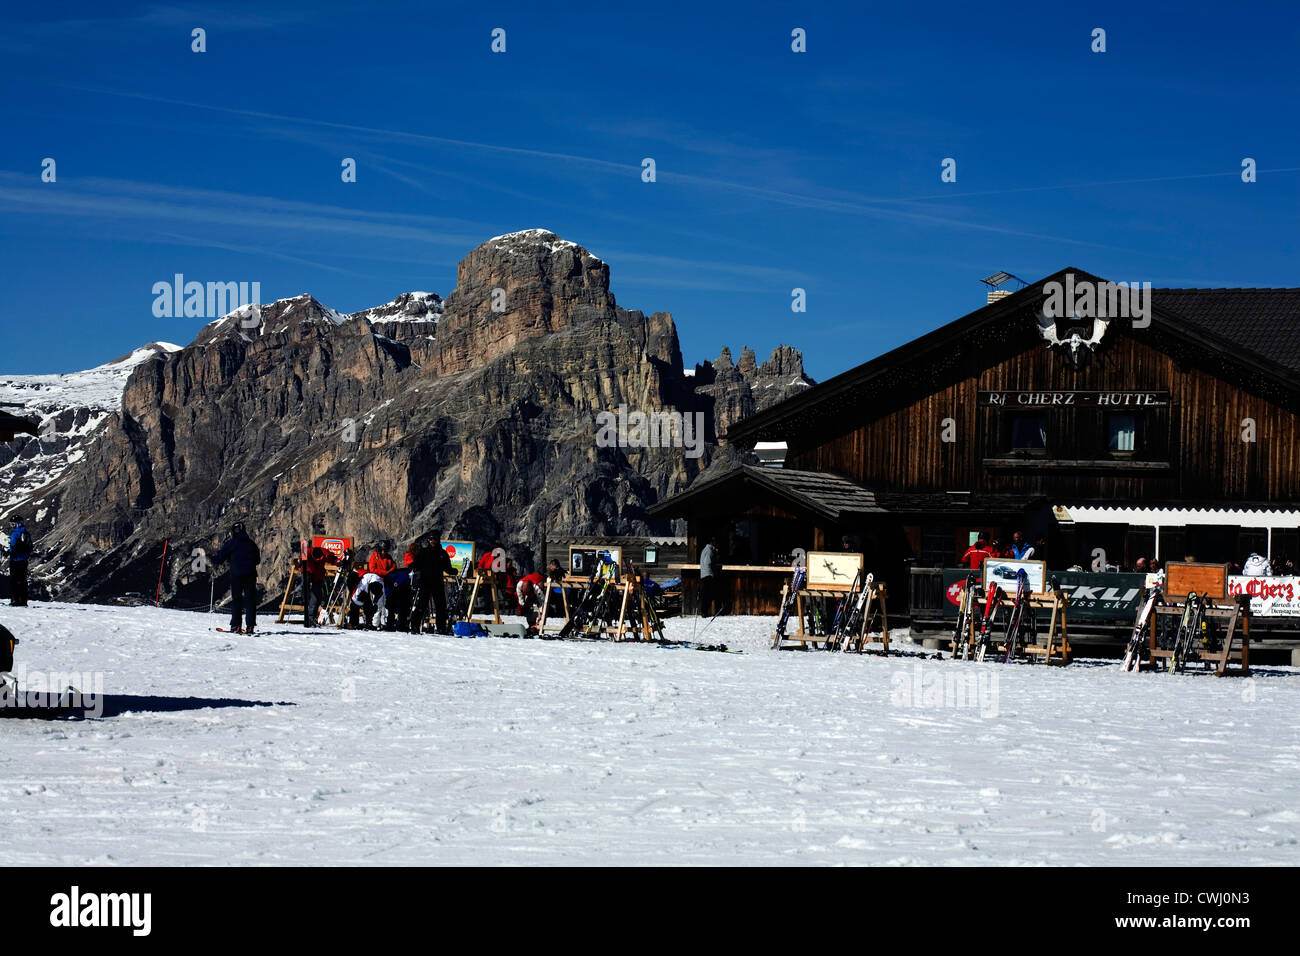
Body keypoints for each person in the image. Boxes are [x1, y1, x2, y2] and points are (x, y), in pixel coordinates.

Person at [213, 522, 261, 634]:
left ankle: (236, 626)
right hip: (250, 575)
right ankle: (250, 627)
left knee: (237, 600)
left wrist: (214, 560)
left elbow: (220, 557)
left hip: (236, 575)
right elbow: (257, 560)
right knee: (250, 601)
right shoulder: (251, 544)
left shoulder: (232, 543)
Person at [410, 531, 455, 634]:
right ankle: (415, 627)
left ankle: (441, 628)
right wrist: (412, 567)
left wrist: (453, 571)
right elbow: (416, 564)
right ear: (428, 540)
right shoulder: (424, 552)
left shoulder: (442, 553)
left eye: (434, 539)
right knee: (421, 605)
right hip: (425, 582)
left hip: (437, 582)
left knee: (440, 606)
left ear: (438, 540)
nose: (432, 541)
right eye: (430, 539)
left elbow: (447, 568)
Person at [6, 515, 32, 607]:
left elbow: (13, 546)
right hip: (24, 560)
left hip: (15, 560)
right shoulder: (25, 532)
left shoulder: (16, 533)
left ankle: (15, 600)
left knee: (14, 580)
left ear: (17, 524)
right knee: (23, 580)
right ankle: (23, 601)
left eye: (13, 524)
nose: (12, 526)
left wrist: (9, 552)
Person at [300, 546, 328, 627]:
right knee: (306, 586)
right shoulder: (307, 551)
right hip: (308, 572)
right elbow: (301, 557)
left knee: (316, 596)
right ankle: (304, 598)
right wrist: (301, 561)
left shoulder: (325, 552)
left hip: (318, 575)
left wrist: (338, 562)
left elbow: (333, 558)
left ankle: (311, 618)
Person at [699, 535, 721, 617]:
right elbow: (708, 562)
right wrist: (712, 572)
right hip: (708, 574)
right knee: (707, 594)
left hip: (704, 574)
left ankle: (704, 612)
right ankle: (704, 612)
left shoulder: (706, 549)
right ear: (712, 542)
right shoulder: (709, 550)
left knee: (706, 594)